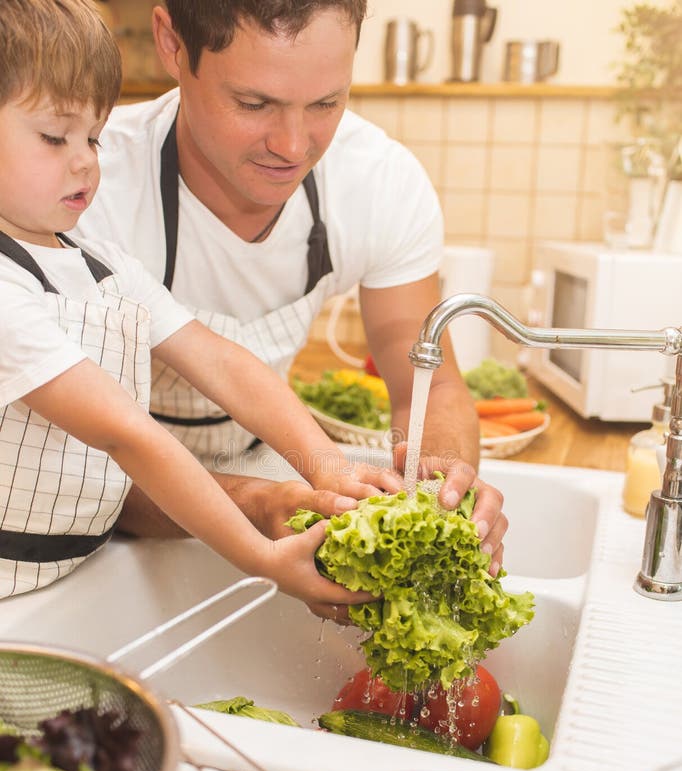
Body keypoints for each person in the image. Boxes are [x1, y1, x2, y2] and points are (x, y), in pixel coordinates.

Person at [75, 0, 508, 575]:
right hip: (94, 522)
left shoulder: (377, 180)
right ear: (172, 43)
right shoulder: (80, 188)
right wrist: (256, 505)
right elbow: (65, 464)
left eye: (326, 103)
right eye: (254, 104)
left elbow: (428, 385)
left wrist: (442, 487)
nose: (294, 146)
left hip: (269, 485)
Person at [0, 0, 403, 613]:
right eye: (55, 137)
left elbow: (221, 362)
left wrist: (331, 470)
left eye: (93, 137)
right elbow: (127, 434)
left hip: (73, 571)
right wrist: (260, 558)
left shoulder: (99, 261)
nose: (84, 159)